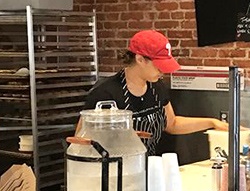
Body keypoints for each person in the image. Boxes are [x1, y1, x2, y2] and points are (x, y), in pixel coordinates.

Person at [81, 30, 228, 154]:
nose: (163, 71)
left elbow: (172, 124)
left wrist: (212, 122)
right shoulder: (106, 94)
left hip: (147, 168)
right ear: (140, 59)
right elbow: (82, 142)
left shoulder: (157, 87)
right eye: (159, 66)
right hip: (114, 174)